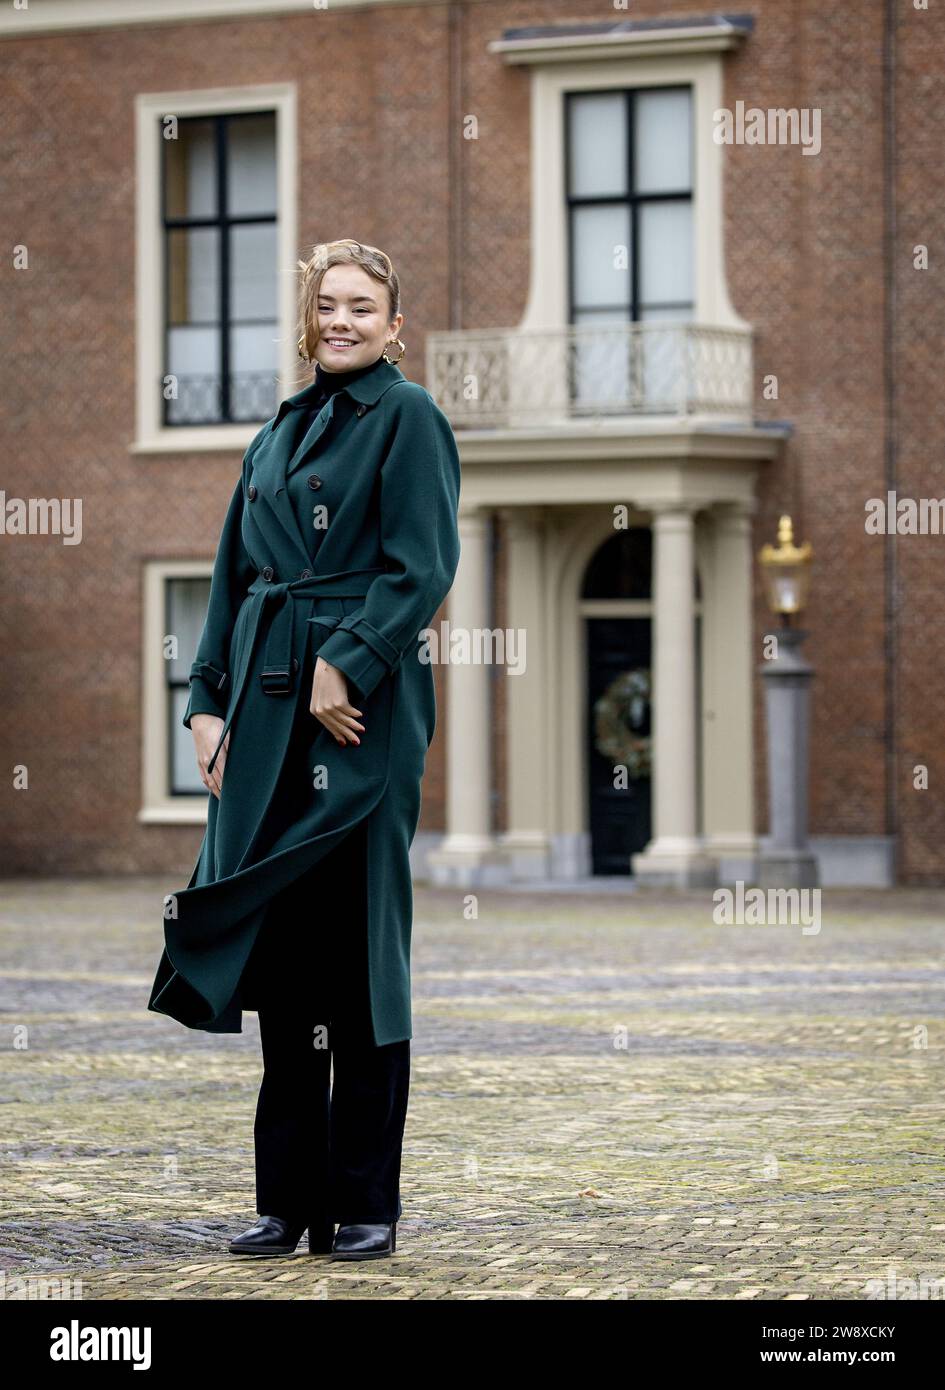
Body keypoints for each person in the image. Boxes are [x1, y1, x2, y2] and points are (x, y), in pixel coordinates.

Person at [148, 239, 462, 1262]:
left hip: (356, 720)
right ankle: (287, 1203)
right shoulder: (274, 434)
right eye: (327, 304)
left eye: (361, 307)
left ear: (394, 324)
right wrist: (204, 701)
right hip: (266, 716)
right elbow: (233, 576)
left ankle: (367, 1202)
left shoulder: (409, 418)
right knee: (283, 964)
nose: (341, 320)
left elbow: (423, 565)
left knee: (359, 960)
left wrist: (349, 660)